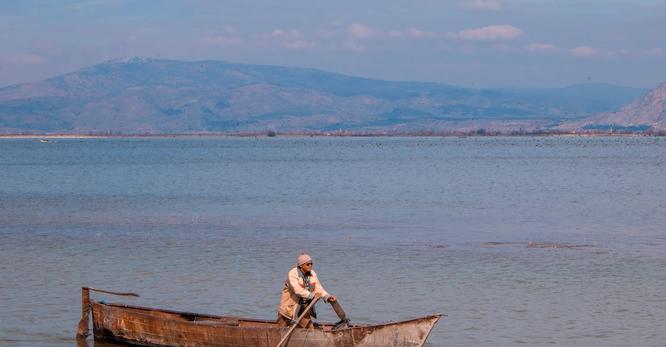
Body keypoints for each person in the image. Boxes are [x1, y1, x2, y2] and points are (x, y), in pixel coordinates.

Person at [277, 253, 349, 329]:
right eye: (308, 264)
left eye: (311, 264)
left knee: (310, 330)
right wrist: (312, 295)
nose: (310, 266)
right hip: (288, 309)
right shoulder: (292, 274)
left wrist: (327, 297)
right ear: (301, 265)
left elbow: (319, 289)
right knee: (280, 331)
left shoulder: (312, 274)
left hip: (303, 310)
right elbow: (297, 290)